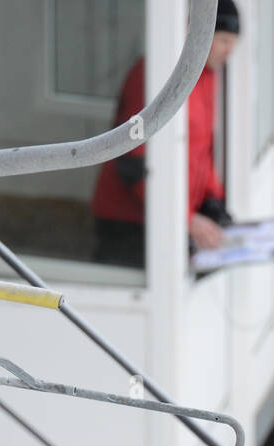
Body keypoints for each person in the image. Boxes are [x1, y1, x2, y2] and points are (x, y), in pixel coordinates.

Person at [91, 0, 241, 269]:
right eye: (223, 40)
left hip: (174, 215)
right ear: (196, 34)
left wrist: (212, 198)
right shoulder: (155, 75)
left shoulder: (207, 75)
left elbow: (201, 147)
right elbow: (131, 162)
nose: (230, 51)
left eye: (234, 42)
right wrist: (184, 218)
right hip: (130, 221)